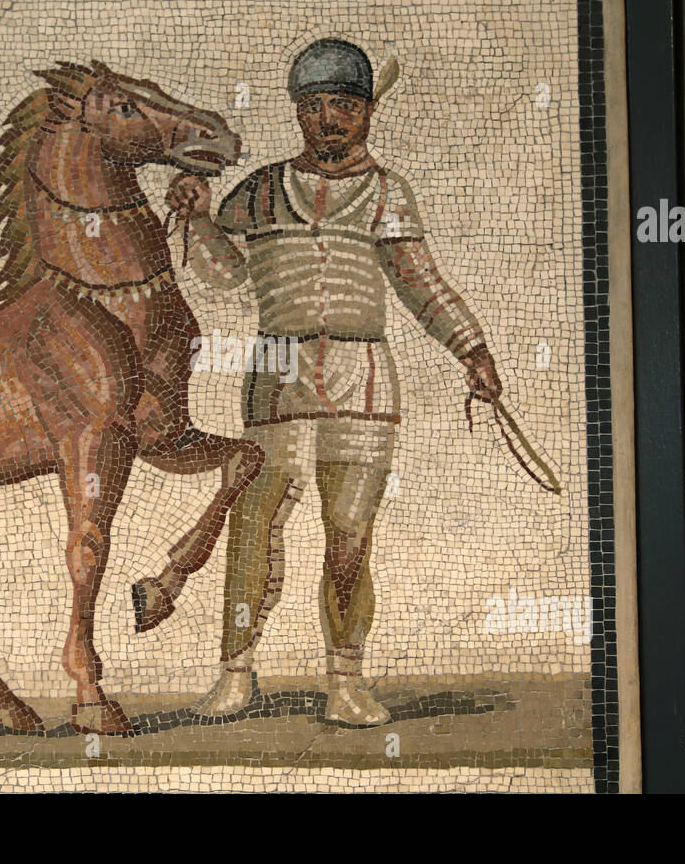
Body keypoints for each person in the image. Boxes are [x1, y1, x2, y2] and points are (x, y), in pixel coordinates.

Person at [165, 38, 502, 725]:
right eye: (313, 107)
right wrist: (199, 217)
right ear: (298, 114)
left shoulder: (386, 193)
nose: (328, 120)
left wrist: (472, 347)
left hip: (363, 383)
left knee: (348, 533)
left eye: (343, 106)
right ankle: (236, 672)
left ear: (367, 112)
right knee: (254, 524)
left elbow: (420, 283)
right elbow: (229, 275)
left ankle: (345, 680)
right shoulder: (260, 189)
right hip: (277, 380)